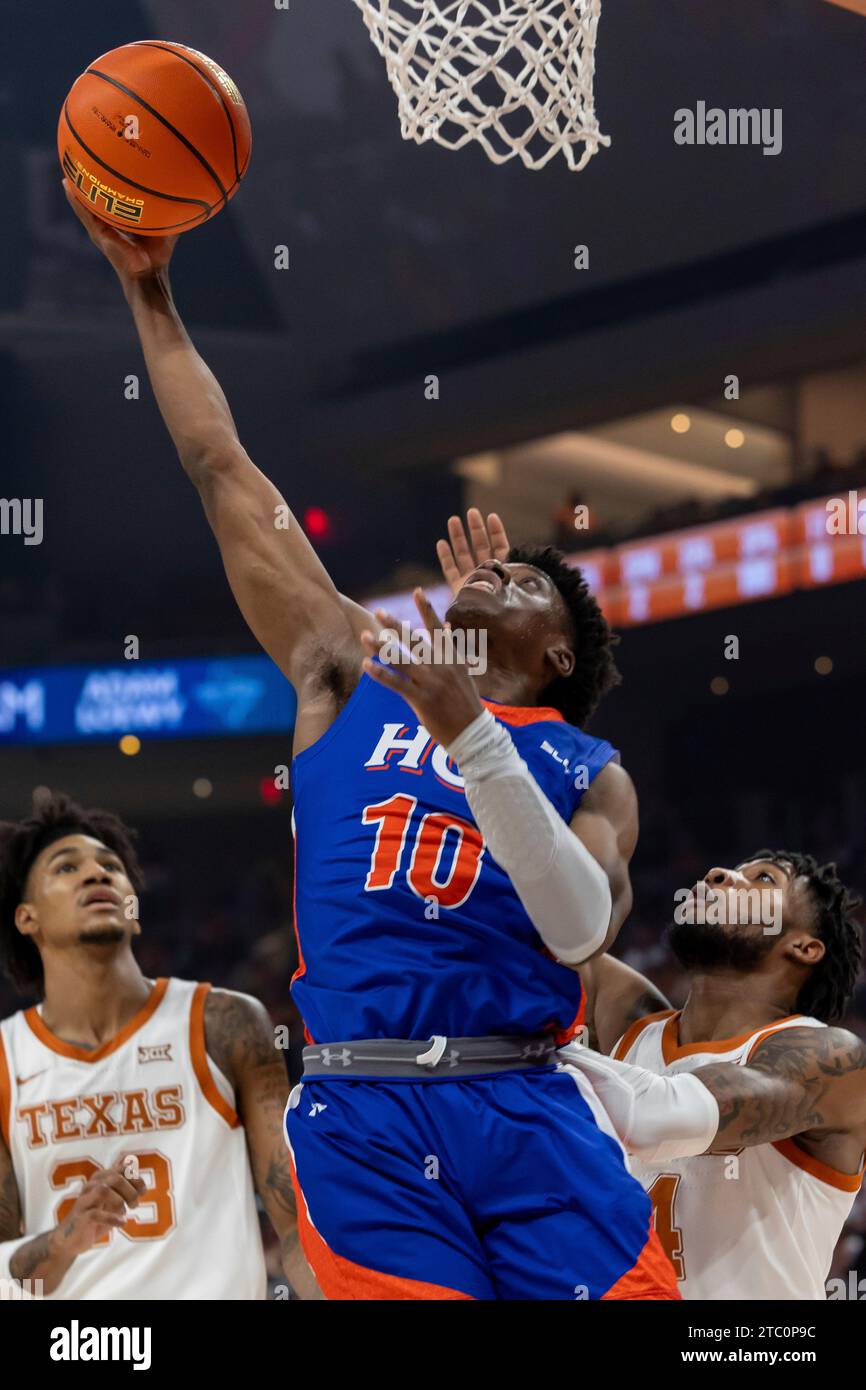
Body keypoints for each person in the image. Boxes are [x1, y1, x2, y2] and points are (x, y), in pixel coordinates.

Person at [62, 187, 678, 1301]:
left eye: (527, 582)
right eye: (498, 565)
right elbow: (223, 470)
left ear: (553, 661)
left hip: (527, 1102)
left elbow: (578, 925)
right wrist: (149, 292)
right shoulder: (346, 666)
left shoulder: (583, 768)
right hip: (366, 1110)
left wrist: (468, 729)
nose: (497, 572)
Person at [0, 790, 319, 1299]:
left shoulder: (226, 1023)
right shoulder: (5, 1057)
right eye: (66, 867)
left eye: (111, 866)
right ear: (27, 918)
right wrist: (65, 1239)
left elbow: (298, 1228)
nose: (97, 874)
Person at [566, 853, 866, 1300]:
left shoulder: (829, 1057)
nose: (717, 875)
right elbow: (550, 934)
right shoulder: (635, 1027)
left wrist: (544, 1056)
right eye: (729, 871)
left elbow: (658, 1120)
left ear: (804, 946)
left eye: (763, 878)